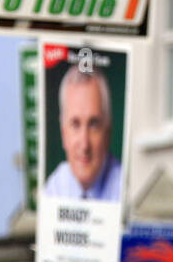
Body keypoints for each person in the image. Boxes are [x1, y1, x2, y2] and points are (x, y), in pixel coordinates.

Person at [44, 65, 122, 202]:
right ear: (63, 134)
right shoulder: (55, 186)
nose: (84, 144)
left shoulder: (124, 188)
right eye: (75, 124)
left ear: (107, 133)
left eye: (93, 125)